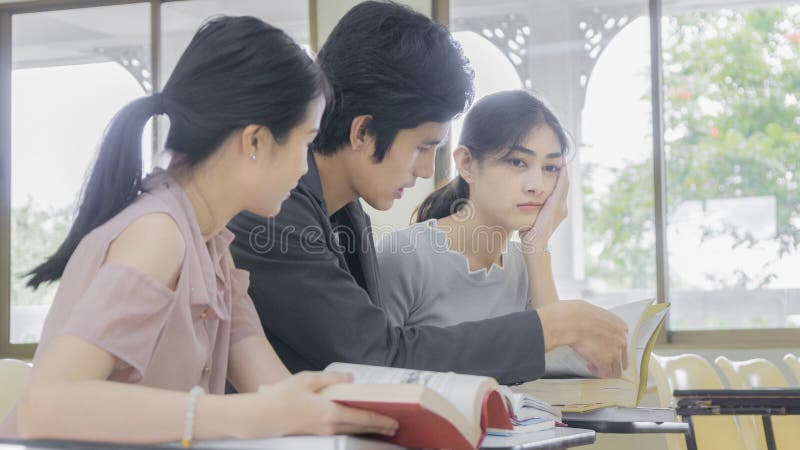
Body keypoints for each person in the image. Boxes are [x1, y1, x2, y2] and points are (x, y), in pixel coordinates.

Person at [0, 16, 397, 443]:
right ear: (256, 141)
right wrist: (249, 415)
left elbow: (272, 389)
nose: (305, 167)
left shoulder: (212, 247)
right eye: (305, 141)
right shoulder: (158, 234)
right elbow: (46, 405)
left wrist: (342, 408)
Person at [229, 2, 629, 385]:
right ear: (362, 132)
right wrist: (552, 326)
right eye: (422, 147)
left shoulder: (347, 213)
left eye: (551, 168)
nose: (425, 171)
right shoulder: (274, 214)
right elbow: (379, 358)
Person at [377, 90, 569, 329]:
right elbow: (371, 362)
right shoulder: (404, 257)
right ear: (467, 164)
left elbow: (554, 359)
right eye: (518, 162)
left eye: (550, 168)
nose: (537, 186)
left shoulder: (529, 264)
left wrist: (538, 251)